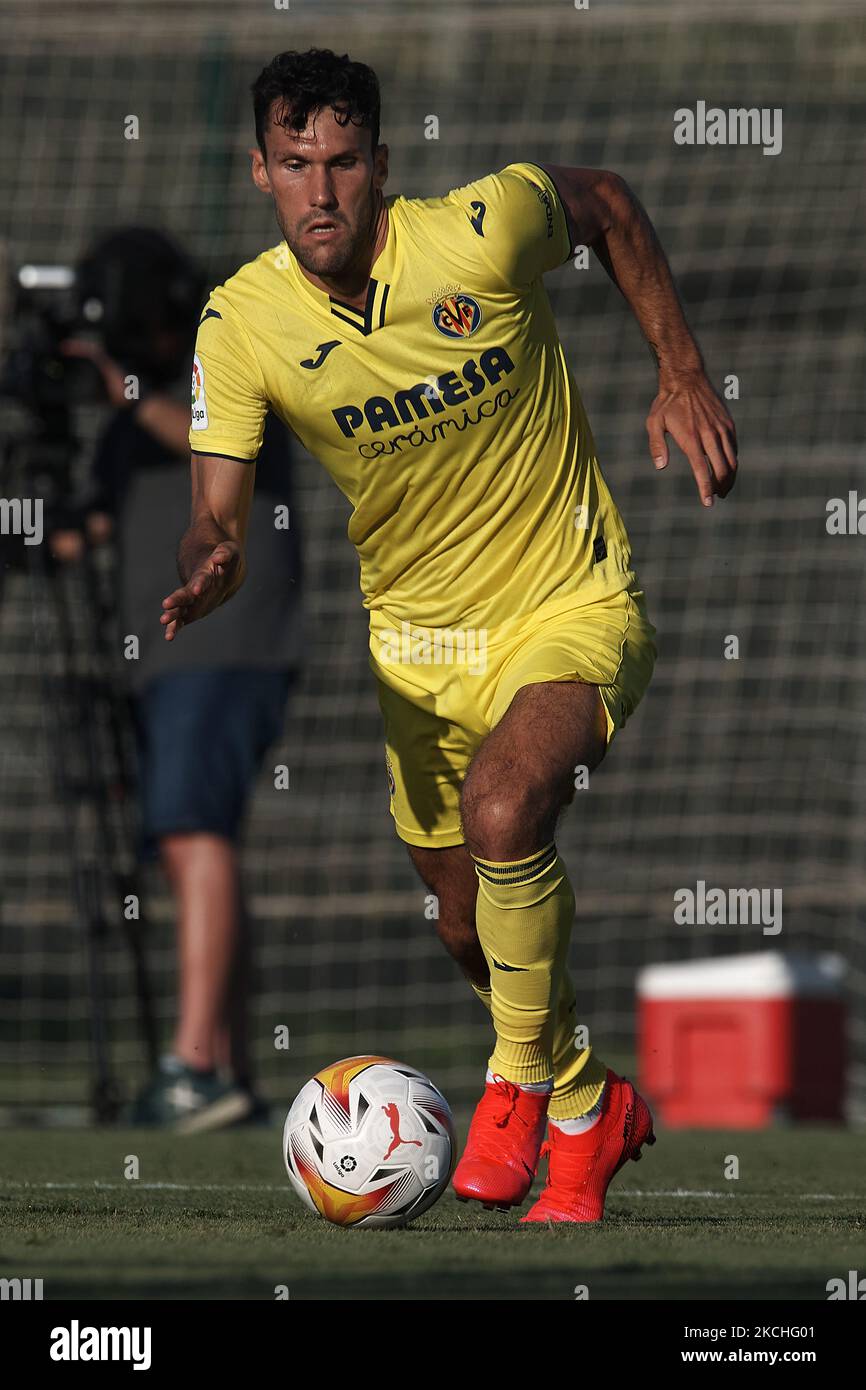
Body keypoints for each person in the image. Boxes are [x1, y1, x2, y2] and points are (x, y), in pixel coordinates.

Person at [161, 50, 737, 1212]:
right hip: (417, 651)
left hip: (568, 600)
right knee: (465, 925)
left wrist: (679, 369)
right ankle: (586, 1098)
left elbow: (609, 204)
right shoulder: (241, 321)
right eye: (293, 165)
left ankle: (517, 1083)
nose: (318, 192)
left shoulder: (481, 228)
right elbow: (210, 508)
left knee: (502, 807)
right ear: (260, 170)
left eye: (340, 164)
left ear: (381, 163)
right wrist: (209, 557)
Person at [57, 228, 303, 1131]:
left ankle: (196, 1064)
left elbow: (186, 424)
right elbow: (83, 529)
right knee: (190, 841)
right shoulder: (130, 426)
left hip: (227, 646)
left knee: (195, 833)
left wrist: (121, 390)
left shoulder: (229, 363)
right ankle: (228, 1070)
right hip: (169, 661)